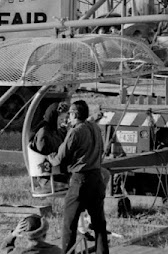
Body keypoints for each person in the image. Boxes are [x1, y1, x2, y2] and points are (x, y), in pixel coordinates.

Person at [45, 98, 109, 254]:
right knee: (99, 223)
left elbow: (60, 158)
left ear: (74, 114)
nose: (68, 118)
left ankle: (68, 252)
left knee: (69, 223)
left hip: (81, 181)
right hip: (97, 178)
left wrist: (49, 158)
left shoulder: (75, 132)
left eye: (69, 114)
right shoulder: (94, 127)